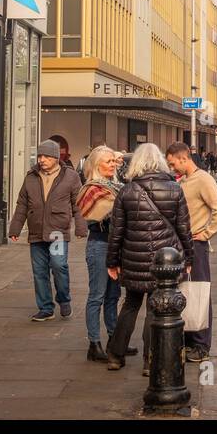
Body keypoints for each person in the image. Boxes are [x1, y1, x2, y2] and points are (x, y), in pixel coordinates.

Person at [106, 143, 193, 372]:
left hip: (133, 259)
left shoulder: (126, 191)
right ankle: (149, 360)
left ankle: (115, 355)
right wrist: (189, 258)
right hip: (164, 262)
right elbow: (184, 228)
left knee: (130, 305)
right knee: (156, 309)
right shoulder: (174, 189)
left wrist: (112, 261)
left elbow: (116, 232)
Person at [9, 139, 87, 322]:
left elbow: (78, 204)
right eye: (39, 156)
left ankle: (64, 299)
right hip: (36, 233)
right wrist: (15, 228)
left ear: (55, 157)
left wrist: (81, 227)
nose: (41, 159)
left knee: (59, 266)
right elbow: (22, 204)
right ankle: (45, 308)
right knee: (39, 271)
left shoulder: (70, 177)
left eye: (46, 156)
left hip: (57, 233)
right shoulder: (31, 177)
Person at [166, 141, 217, 363]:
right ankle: (191, 340)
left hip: (197, 246)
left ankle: (202, 345)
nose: (172, 168)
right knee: (186, 292)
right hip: (183, 245)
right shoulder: (185, 180)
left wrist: (206, 233)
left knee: (199, 293)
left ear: (183, 158)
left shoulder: (203, 179)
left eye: (174, 164)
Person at [78, 145, 125, 362]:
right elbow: (101, 215)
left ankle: (115, 340)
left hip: (115, 245)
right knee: (97, 295)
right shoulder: (91, 188)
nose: (113, 165)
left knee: (113, 295)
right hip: (99, 244)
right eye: (108, 162)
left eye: (114, 162)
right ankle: (94, 344)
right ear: (97, 165)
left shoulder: (115, 185)